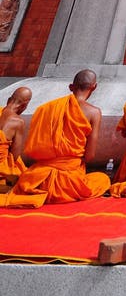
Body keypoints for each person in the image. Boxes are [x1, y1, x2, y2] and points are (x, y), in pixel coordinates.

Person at [11, 70, 110, 206]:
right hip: (69, 182)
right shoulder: (94, 112)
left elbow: (35, 148)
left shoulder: (46, 108)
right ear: (94, 87)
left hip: (38, 180)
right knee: (102, 179)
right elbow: (90, 155)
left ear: (71, 87)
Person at [0, 86, 32, 188]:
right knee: (29, 182)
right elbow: (14, 155)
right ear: (24, 106)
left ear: (8, 100)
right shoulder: (17, 122)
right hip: (2, 170)